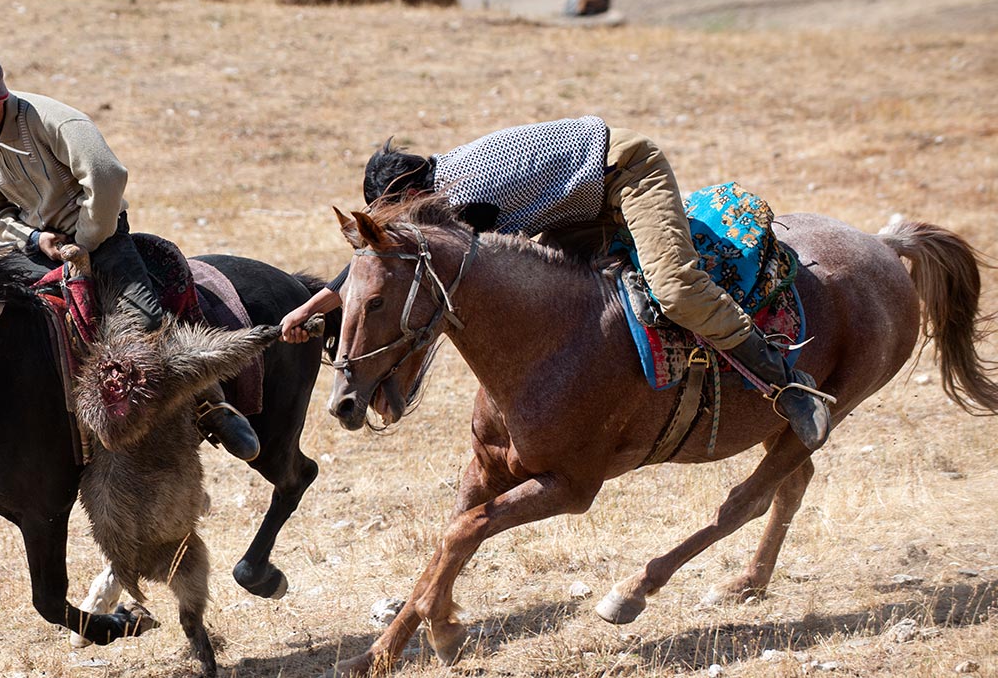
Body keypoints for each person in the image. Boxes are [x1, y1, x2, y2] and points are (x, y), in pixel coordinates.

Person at [279, 116, 832, 450]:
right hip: (575, 201)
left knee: (676, 288)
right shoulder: (440, 197)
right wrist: (312, 308)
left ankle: (789, 385)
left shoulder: (462, 198)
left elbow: (405, 263)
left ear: (404, 199)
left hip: (627, 173)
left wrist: (314, 306)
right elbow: (382, 264)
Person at [0, 47, 260, 460]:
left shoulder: (55, 120)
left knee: (146, 320)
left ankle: (209, 404)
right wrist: (34, 238)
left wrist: (86, 240)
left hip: (101, 234)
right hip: (40, 245)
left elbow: (107, 175)